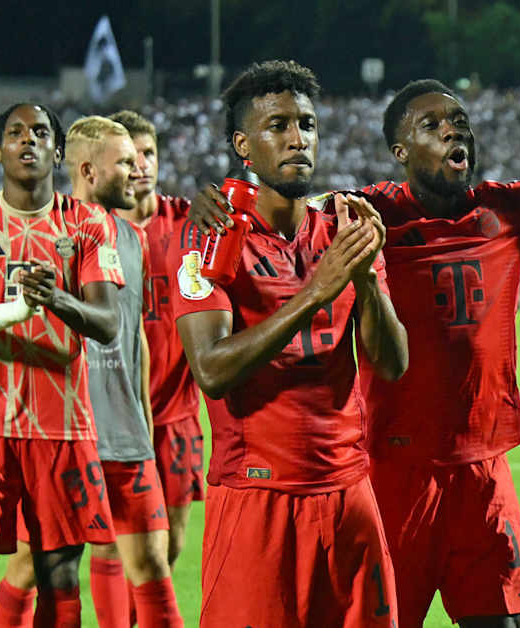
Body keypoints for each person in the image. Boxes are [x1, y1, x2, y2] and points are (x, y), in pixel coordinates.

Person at [186, 13, 520, 628]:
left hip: (483, 466)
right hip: (391, 468)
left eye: (458, 121)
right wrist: (209, 195)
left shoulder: (509, 206)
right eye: (431, 125)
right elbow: (280, 205)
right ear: (401, 152)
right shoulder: (367, 213)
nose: (453, 131)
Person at [170, 59, 408, 627]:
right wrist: (314, 294)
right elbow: (211, 369)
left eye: (306, 124)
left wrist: (366, 280)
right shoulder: (209, 241)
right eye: (277, 125)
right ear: (243, 146)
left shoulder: (343, 229)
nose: (298, 138)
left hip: (349, 493)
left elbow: (393, 363)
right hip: (258, 499)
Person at [0, 102, 124, 628]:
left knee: (59, 580)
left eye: (41, 132)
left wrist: (57, 299)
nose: (28, 141)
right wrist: (7, 311)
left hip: (62, 426)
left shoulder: (86, 222)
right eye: (15, 133)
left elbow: (107, 322)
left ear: (58, 152)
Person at [0, 116, 184, 628]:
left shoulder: (131, 238)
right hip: (63, 435)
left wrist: (143, 422)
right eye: (124, 162)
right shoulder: (43, 233)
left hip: (126, 434)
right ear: (87, 171)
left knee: (151, 563)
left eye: (140, 159)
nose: (137, 170)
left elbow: (133, 336)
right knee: (38, 565)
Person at [108, 108, 206, 572]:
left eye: (148, 153)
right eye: (129, 157)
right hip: (115, 414)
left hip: (176, 415)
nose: (141, 164)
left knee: (170, 545)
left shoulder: (188, 224)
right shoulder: (94, 230)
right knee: (116, 547)